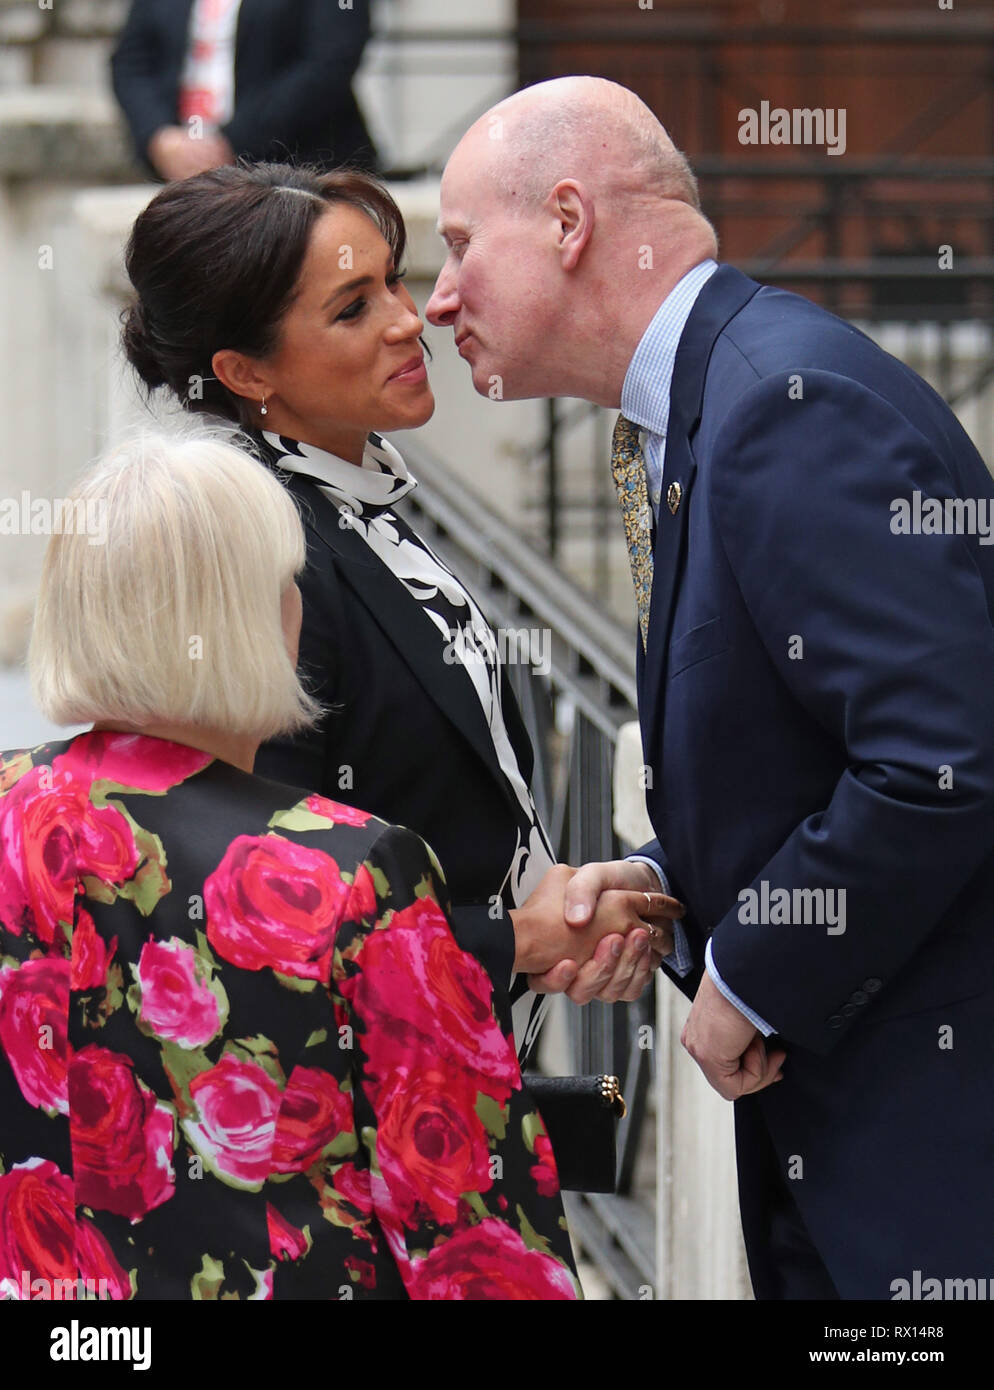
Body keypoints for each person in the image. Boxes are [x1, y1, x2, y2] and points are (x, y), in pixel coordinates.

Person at [425, 75, 994, 1300]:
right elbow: (797, 739)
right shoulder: (709, 404)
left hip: (923, 1140)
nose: (438, 298)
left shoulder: (786, 405)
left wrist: (752, 976)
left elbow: (939, 762)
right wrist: (672, 878)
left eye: (462, 246)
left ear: (568, 222)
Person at [0, 428, 598, 1300]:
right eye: (287, 585)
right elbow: (474, 1236)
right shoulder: (353, 869)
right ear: (261, 617)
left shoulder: (13, 810)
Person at [119, 161, 683, 1067]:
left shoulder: (353, 496)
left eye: (394, 277)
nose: (406, 318)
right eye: (352, 308)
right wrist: (522, 945)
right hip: (356, 1125)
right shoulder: (260, 549)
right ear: (245, 371)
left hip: (461, 1066)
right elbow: (247, 904)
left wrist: (560, 910)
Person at [110, 0, 377, 183]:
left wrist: (227, 143)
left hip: (302, 175)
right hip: (182, 180)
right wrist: (160, 136)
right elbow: (131, 60)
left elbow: (330, 62)